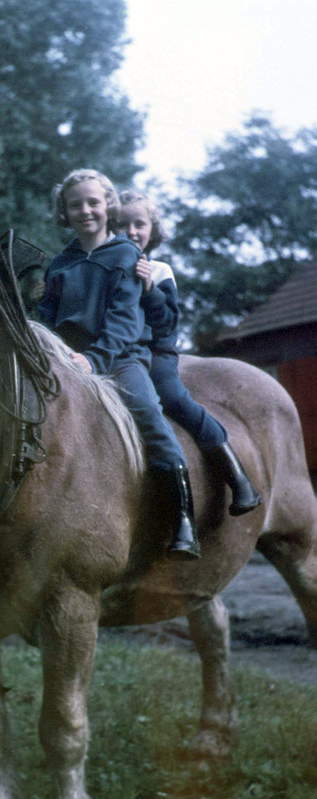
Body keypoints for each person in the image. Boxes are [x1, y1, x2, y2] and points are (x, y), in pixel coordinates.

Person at [39, 168, 200, 561]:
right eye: (75, 204)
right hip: (68, 359)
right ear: (64, 212)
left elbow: (125, 321)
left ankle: (183, 521)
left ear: (108, 205)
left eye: (93, 202)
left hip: (119, 358)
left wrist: (94, 359)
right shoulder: (59, 264)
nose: (85, 211)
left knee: (148, 413)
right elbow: (46, 319)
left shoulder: (126, 255)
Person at [117, 189, 262, 516]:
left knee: (171, 395)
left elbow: (166, 323)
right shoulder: (105, 272)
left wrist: (149, 288)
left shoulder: (159, 270)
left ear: (152, 230)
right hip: (121, 353)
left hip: (156, 352)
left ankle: (238, 477)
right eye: (121, 224)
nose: (131, 231)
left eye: (139, 224)